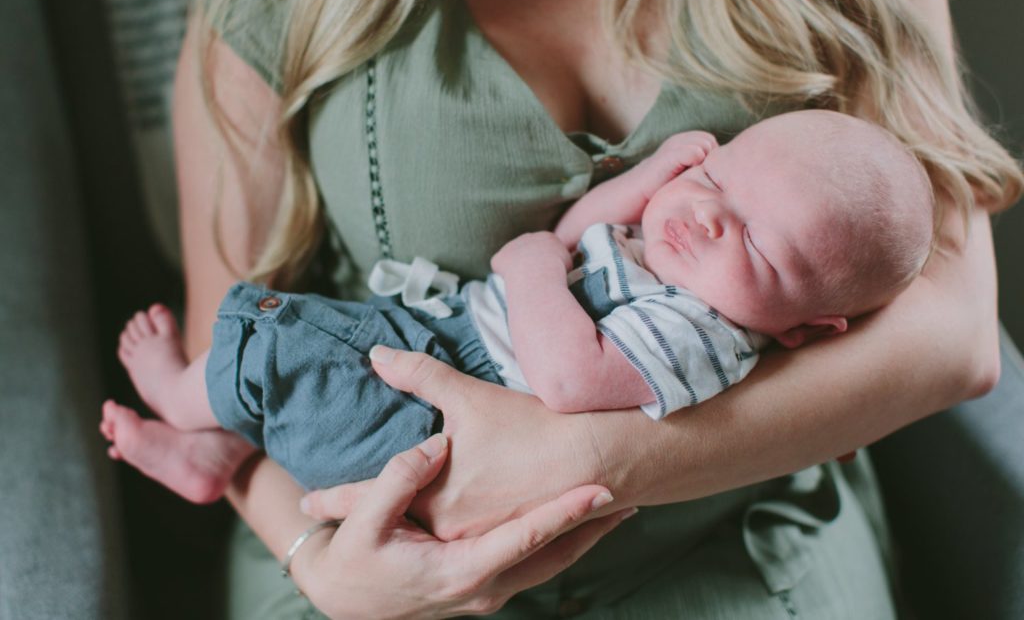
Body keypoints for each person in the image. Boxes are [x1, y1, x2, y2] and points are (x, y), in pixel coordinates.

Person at [133, 0, 1021, 617]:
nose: (705, 210)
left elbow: (954, 328)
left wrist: (588, 460)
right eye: (712, 177)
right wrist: (322, 564)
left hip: (730, 540)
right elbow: (227, 357)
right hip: (360, 538)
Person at [101, 110, 934, 500]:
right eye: (716, 180)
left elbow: (572, 378)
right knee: (311, 340)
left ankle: (185, 398)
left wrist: (531, 272)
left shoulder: (705, 335)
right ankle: (221, 450)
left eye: (758, 244)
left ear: (800, 326)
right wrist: (647, 183)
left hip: (438, 422)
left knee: (288, 339)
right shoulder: (669, 260)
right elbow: (575, 234)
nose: (708, 215)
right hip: (438, 341)